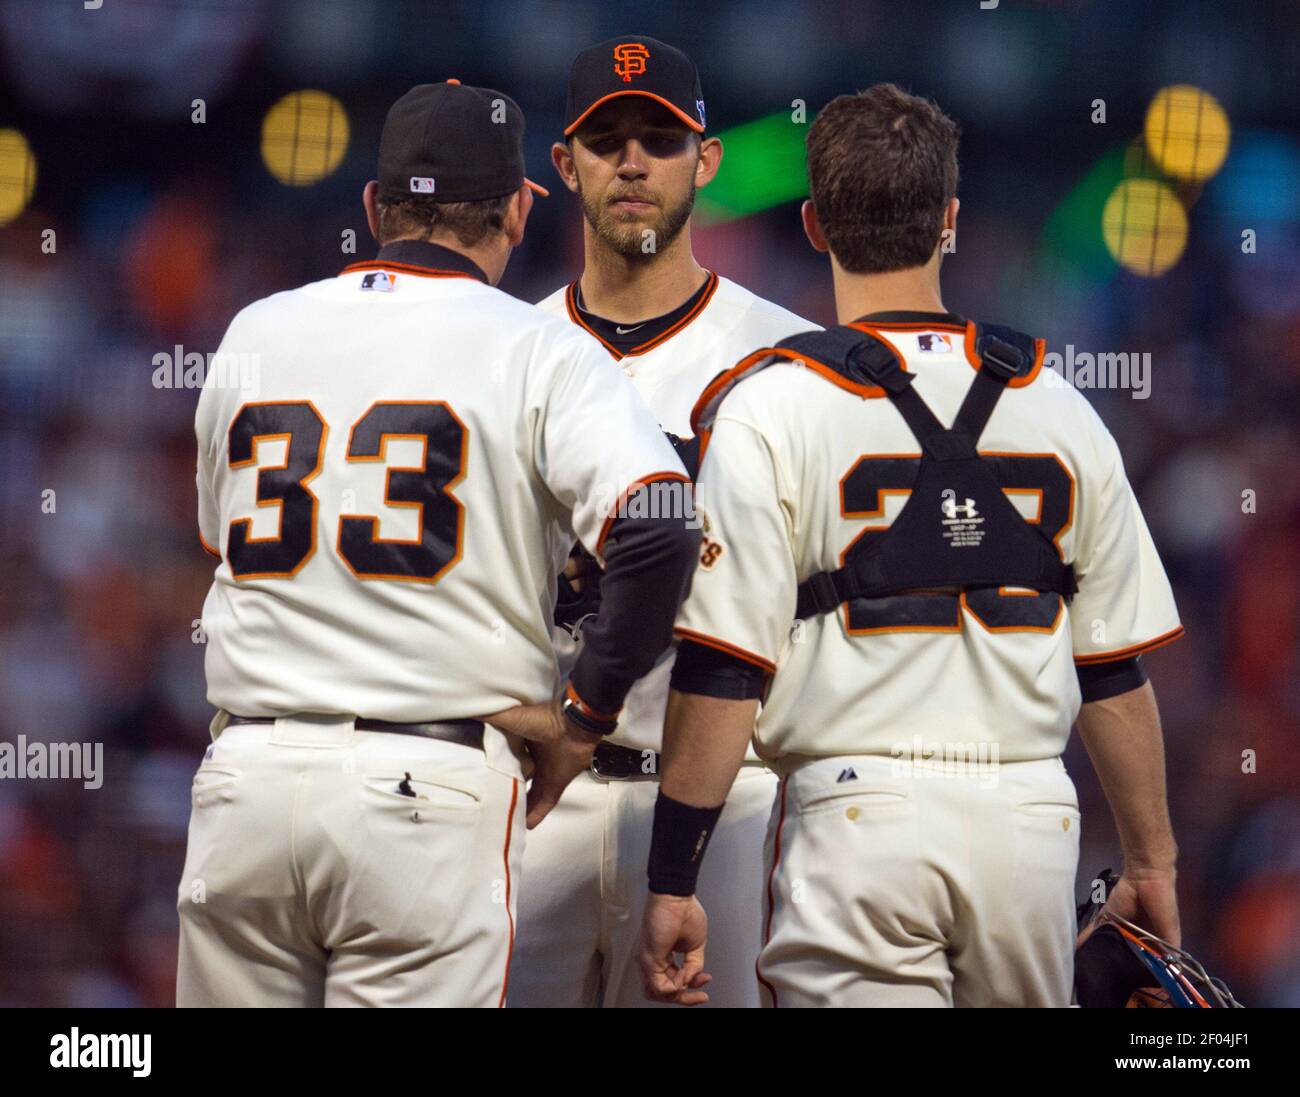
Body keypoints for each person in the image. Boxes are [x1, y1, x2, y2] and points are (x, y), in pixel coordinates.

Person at [636, 84, 1185, 1008]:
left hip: (860, 816)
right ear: (951, 221)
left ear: (814, 224)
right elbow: (1113, 672)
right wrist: (1153, 860)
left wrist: (671, 874)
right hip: (1031, 821)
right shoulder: (1061, 404)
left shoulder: (772, 404)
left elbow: (725, 672)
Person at [177, 80, 699, 1008]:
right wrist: (585, 716)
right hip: (427, 787)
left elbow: (220, 541)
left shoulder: (254, 329)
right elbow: (660, 520)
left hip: (247, 783)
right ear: (517, 209)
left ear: (376, 208)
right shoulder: (537, 345)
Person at [508, 35, 816, 1009]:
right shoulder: (504, 349)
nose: (632, 161)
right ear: (563, 167)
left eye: (659, 138)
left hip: (725, 798)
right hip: (529, 790)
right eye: (605, 141)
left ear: (707, 160)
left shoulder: (789, 357)